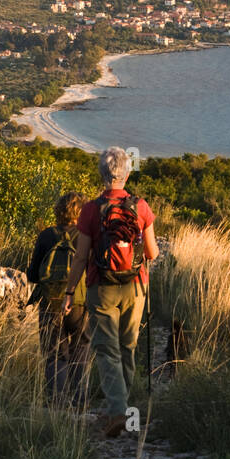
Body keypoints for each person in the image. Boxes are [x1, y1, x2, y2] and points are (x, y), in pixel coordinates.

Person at [63, 147, 159, 437]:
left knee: (106, 349)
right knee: (127, 346)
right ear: (127, 173)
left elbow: (80, 257)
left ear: (102, 175)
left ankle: (117, 411)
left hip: (101, 287)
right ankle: (123, 409)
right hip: (135, 285)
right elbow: (153, 253)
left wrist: (70, 292)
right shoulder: (140, 206)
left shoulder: (91, 209)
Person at [27, 192, 91, 408]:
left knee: (54, 353)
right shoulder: (87, 236)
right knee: (81, 349)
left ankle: (56, 404)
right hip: (80, 302)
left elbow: (33, 276)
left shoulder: (46, 236)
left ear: (58, 210)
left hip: (50, 302)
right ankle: (79, 402)